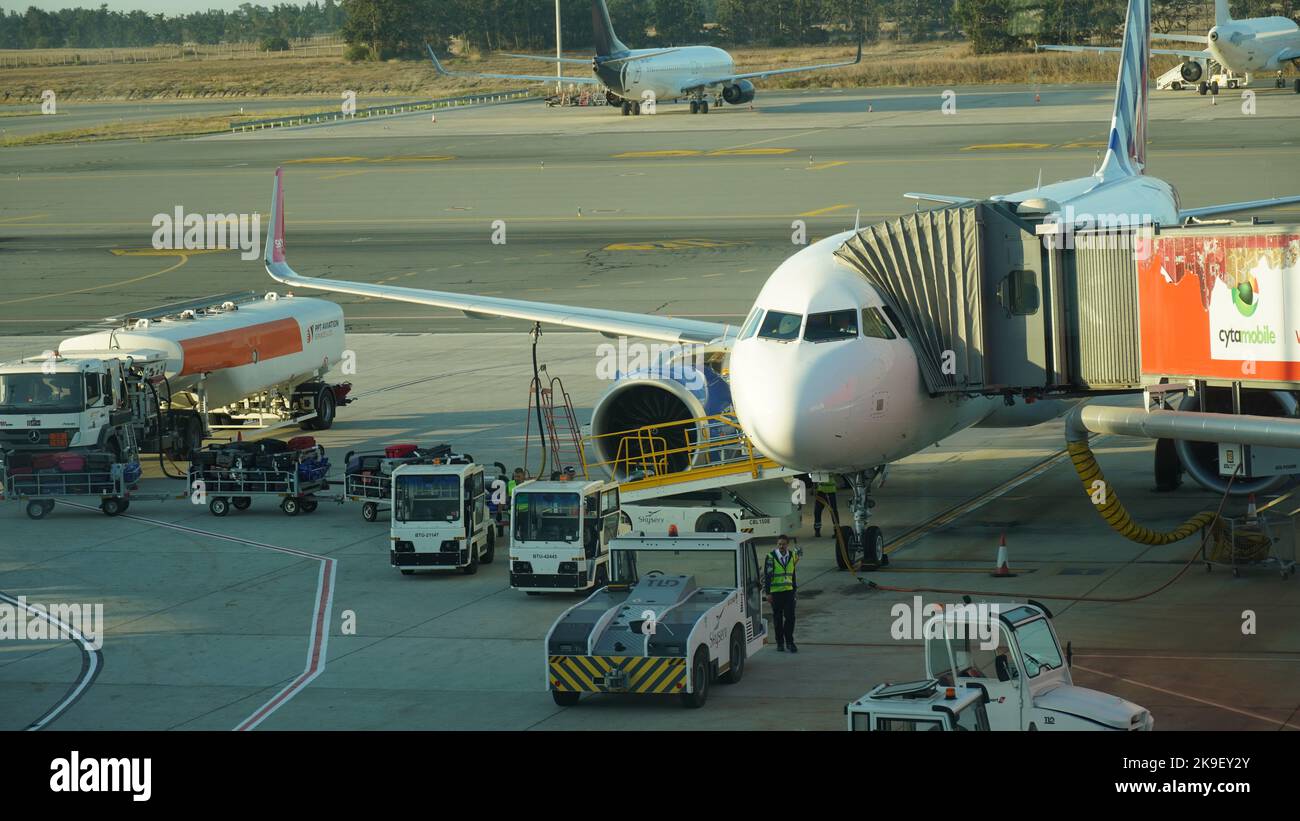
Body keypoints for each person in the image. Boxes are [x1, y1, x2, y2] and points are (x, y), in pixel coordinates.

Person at [763, 534, 802, 653]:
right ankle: (780, 642)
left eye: (783, 544)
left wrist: (794, 590)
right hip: (776, 593)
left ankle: (789, 642)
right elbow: (768, 576)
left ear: (787, 545)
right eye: (779, 544)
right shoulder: (770, 557)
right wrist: (768, 593)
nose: (781, 546)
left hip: (789, 592)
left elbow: (792, 573)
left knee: (790, 617)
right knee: (778, 619)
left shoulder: (792, 555)